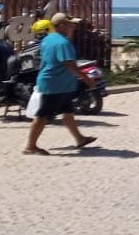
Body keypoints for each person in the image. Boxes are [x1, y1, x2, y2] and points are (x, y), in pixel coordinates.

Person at [23, 13, 97, 156]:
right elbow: (69, 64)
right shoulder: (63, 43)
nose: (73, 27)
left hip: (58, 83)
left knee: (67, 111)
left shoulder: (48, 39)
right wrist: (87, 79)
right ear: (61, 25)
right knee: (42, 115)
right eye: (70, 24)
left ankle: (80, 138)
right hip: (55, 84)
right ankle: (30, 146)